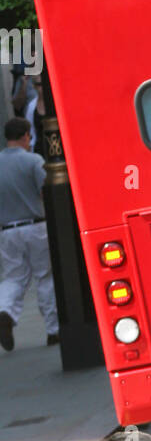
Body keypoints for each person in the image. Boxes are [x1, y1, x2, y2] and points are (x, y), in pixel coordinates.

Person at [0, 116, 58, 350]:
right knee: (44, 276)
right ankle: (53, 330)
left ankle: (5, 311)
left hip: (7, 231)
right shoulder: (33, 161)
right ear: (25, 135)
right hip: (35, 226)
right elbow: (47, 192)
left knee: (14, 277)